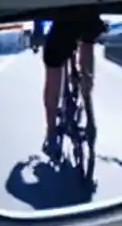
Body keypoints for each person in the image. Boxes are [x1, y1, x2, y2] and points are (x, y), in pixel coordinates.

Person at [40, 10, 107, 158]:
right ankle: (87, 95)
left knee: (53, 63)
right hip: (89, 12)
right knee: (87, 42)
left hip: (64, 18)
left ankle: (51, 132)